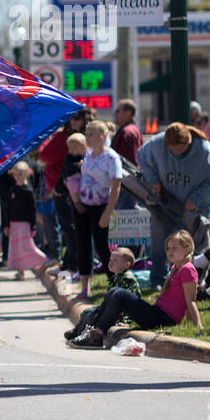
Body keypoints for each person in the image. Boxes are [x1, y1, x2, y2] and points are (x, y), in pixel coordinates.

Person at [68, 230, 201, 347]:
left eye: (174, 248)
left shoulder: (188, 269)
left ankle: (97, 335)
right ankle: (93, 330)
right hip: (157, 313)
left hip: (164, 319)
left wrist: (197, 328)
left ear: (187, 249)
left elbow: (190, 301)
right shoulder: (175, 268)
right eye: (168, 248)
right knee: (114, 291)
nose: (169, 251)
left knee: (119, 294)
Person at [137, 122, 210, 290]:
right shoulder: (157, 143)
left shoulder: (205, 150)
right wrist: (153, 179)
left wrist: (197, 198)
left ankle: (198, 281)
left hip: (197, 205)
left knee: (197, 243)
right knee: (160, 239)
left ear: (188, 143)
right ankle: (158, 280)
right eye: (172, 149)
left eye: (180, 149)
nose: (176, 153)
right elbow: (141, 156)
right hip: (167, 200)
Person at [72, 121, 123, 299]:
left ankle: (114, 282)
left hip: (101, 205)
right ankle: (85, 287)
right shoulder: (87, 154)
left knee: (102, 246)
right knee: (82, 244)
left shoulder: (111, 157)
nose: (87, 137)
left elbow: (116, 187)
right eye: (86, 133)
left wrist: (108, 212)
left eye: (91, 133)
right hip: (83, 205)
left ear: (103, 136)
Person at [39, 107, 94, 271]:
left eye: (78, 117)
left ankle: (75, 266)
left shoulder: (77, 137)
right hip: (64, 189)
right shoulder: (66, 136)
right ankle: (70, 265)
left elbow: (44, 155)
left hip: (77, 190)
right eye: (72, 117)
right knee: (69, 228)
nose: (74, 121)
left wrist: (47, 139)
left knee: (73, 228)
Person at [4, 161, 49, 280]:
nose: (17, 176)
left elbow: (32, 210)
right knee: (17, 249)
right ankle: (20, 271)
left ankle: (44, 260)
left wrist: (33, 226)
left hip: (24, 224)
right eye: (15, 174)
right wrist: (6, 225)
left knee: (27, 247)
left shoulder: (28, 191)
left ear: (26, 174)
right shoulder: (12, 190)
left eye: (20, 174)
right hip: (14, 224)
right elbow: (8, 208)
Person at [111, 99, 142, 166]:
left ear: (128, 114)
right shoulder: (132, 129)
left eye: (118, 111)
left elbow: (129, 162)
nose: (115, 114)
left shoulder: (127, 132)